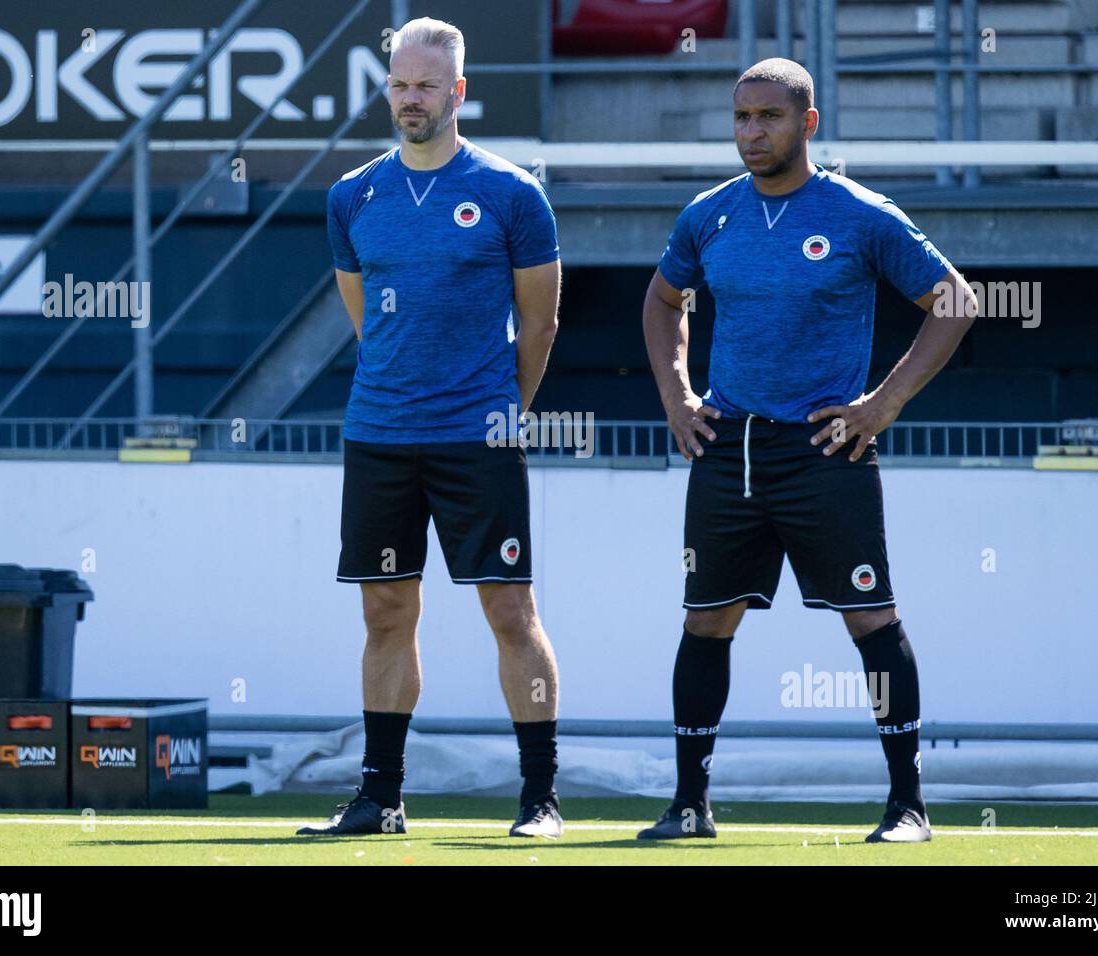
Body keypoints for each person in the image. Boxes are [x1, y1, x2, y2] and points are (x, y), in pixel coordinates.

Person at [638, 58, 979, 842]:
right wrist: (676, 396)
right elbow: (662, 301)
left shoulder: (859, 214)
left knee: (872, 620)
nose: (753, 133)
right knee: (705, 623)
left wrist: (882, 403)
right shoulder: (709, 216)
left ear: (808, 124)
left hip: (825, 453)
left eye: (770, 117)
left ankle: (908, 807)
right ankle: (691, 806)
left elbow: (955, 300)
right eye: (742, 118)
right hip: (729, 450)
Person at [296, 17, 564, 839]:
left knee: (510, 612)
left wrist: (497, 411)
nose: (410, 99)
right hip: (378, 436)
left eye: (425, 86)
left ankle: (540, 799)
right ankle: (381, 798)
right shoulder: (352, 196)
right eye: (399, 85)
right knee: (385, 611)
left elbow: (541, 323)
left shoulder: (513, 194)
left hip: (477, 441)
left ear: (458, 92)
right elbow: (364, 321)